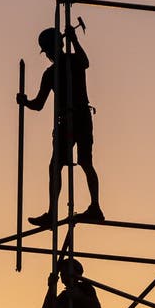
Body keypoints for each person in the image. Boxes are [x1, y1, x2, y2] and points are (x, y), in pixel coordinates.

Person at [16, 24, 104, 226]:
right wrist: (25, 102)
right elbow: (38, 104)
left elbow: (85, 62)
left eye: (47, 50)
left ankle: (92, 208)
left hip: (78, 117)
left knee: (78, 163)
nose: (47, 55)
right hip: (69, 120)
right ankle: (58, 212)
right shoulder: (52, 73)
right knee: (63, 165)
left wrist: (74, 39)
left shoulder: (72, 62)